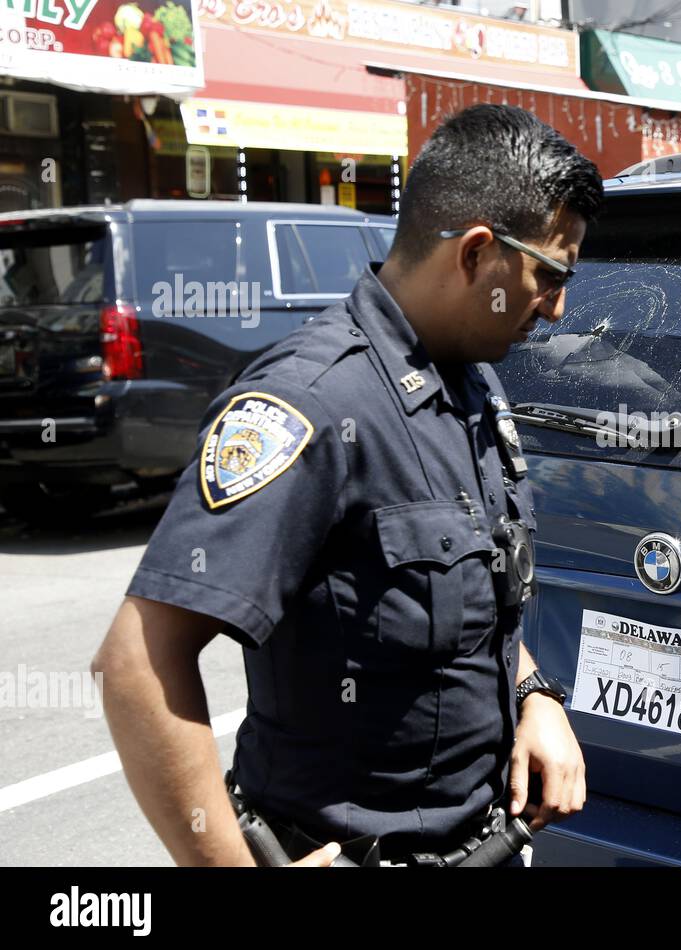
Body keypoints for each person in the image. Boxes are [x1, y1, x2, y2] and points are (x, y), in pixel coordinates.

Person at [90, 104, 604, 866]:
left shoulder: (467, 382)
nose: (559, 306)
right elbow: (137, 664)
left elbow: (479, 592)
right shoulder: (310, 403)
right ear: (475, 254)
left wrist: (536, 699)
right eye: (551, 274)